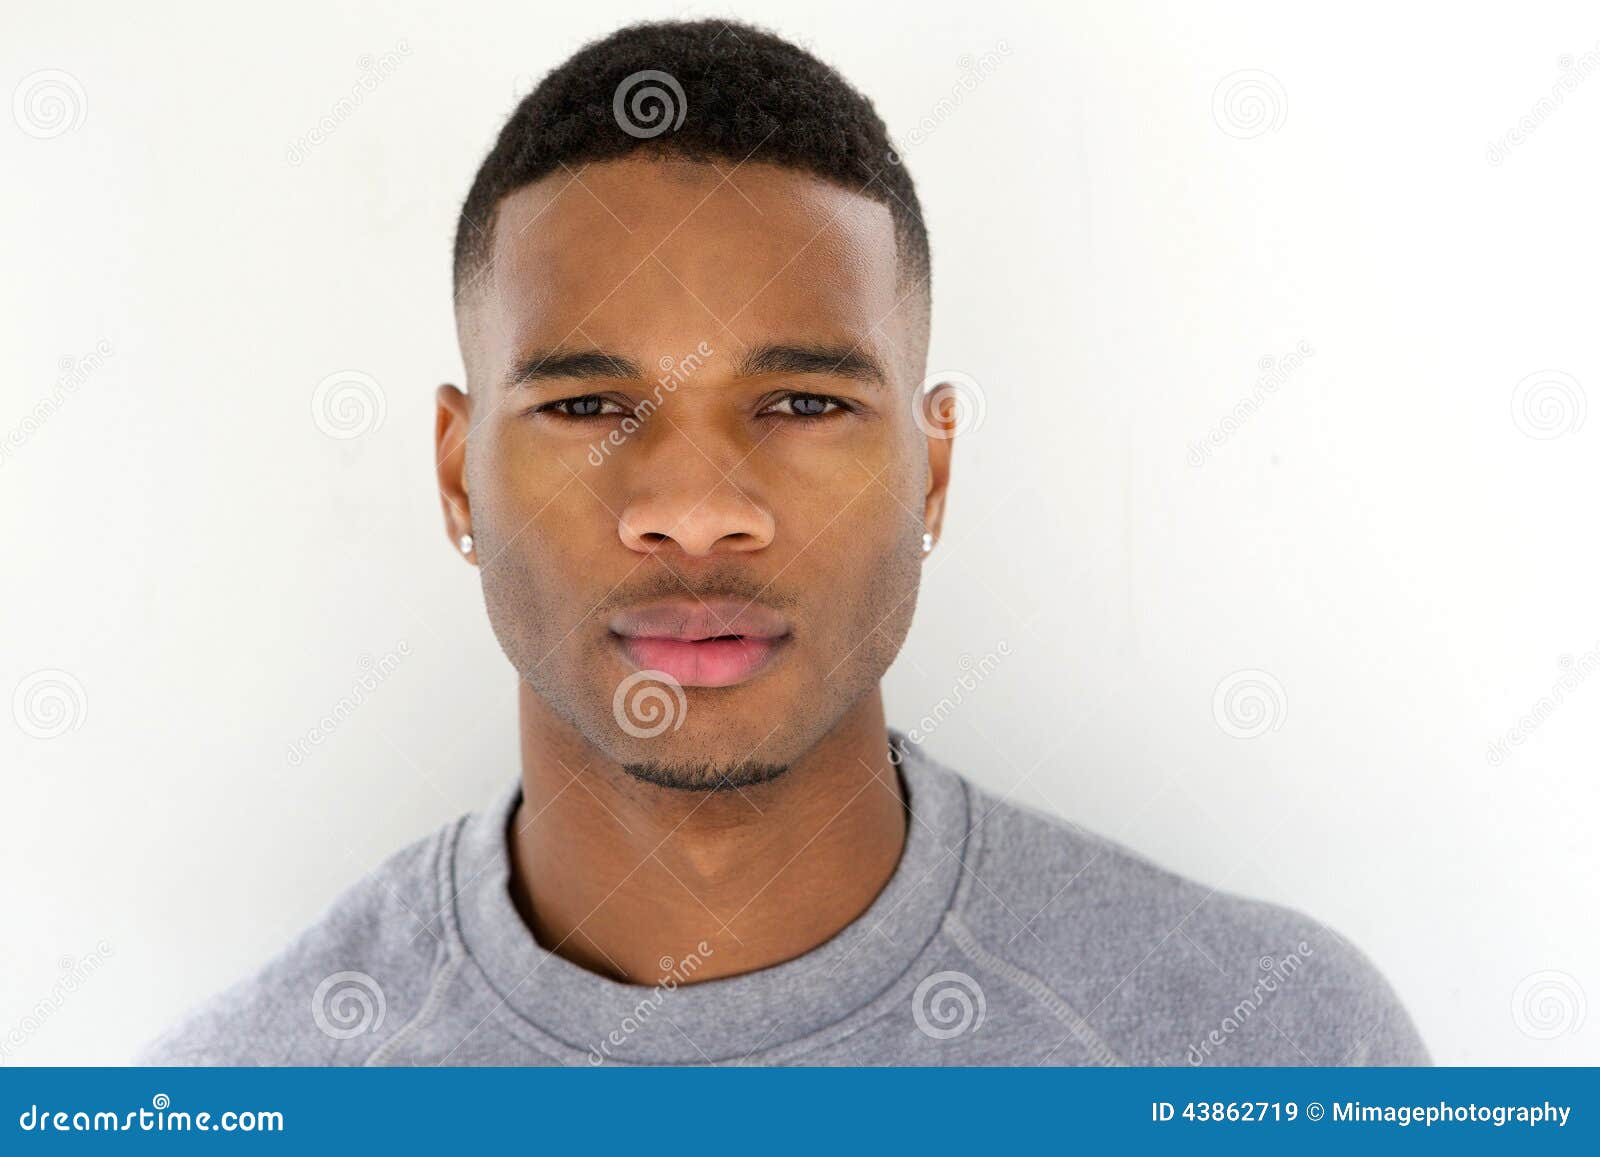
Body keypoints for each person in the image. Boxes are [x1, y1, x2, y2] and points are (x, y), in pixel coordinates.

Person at [140, 19, 1428, 1067]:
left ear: (932, 468)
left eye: (805, 404)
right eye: (589, 405)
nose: (697, 509)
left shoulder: (1270, 1050)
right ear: (454, 474)